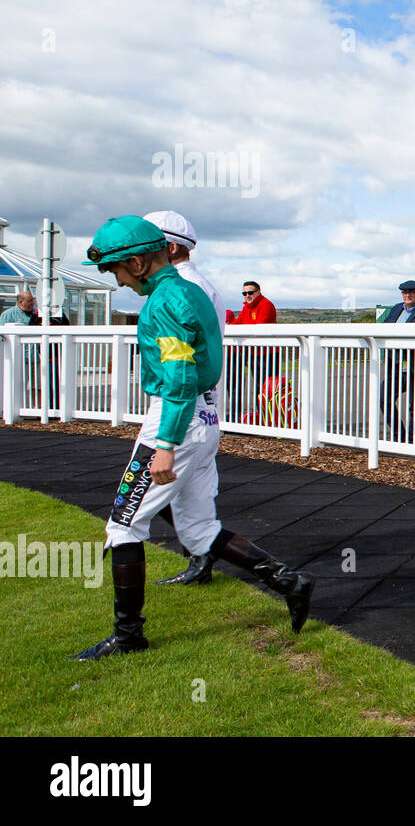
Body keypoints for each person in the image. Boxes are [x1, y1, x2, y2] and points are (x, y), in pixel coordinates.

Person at [72, 217, 313, 660]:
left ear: (139, 262)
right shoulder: (193, 291)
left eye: (117, 271)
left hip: (175, 420)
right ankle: (288, 581)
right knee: (200, 530)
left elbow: (179, 376)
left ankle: (129, 637)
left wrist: (165, 444)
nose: (118, 281)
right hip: (205, 420)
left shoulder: (163, 301)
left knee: (124, 527)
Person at [143, 210, 228, 585]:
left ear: (171, 246)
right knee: (191, 495)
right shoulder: (196, 286)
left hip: (184, 406)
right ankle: (201, 557)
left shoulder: (178, 290)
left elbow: (181, 364)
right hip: (203, 405)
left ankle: (202, 557)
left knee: (142, 500)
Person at [379, 281, 415, 442]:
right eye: (405, 293)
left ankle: (412, 440)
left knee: (414, 404)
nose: (408, 295)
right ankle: (400, 436)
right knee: (384, 397)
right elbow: (385, 328)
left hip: (414, 365)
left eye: (412, 292)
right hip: (395, 364)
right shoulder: (397, 309)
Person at [228, 280, 277, 416]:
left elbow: (259, 328)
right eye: (244, 293)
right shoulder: (246, 307)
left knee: (264, 387)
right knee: (258, 387)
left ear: (258, 292)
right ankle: (262, 416)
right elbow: (238, 322)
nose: (247, 295)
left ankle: (269, 417)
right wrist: (226, 327)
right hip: (253, 352)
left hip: (267, 354)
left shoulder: (266, 305)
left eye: (250, 292)